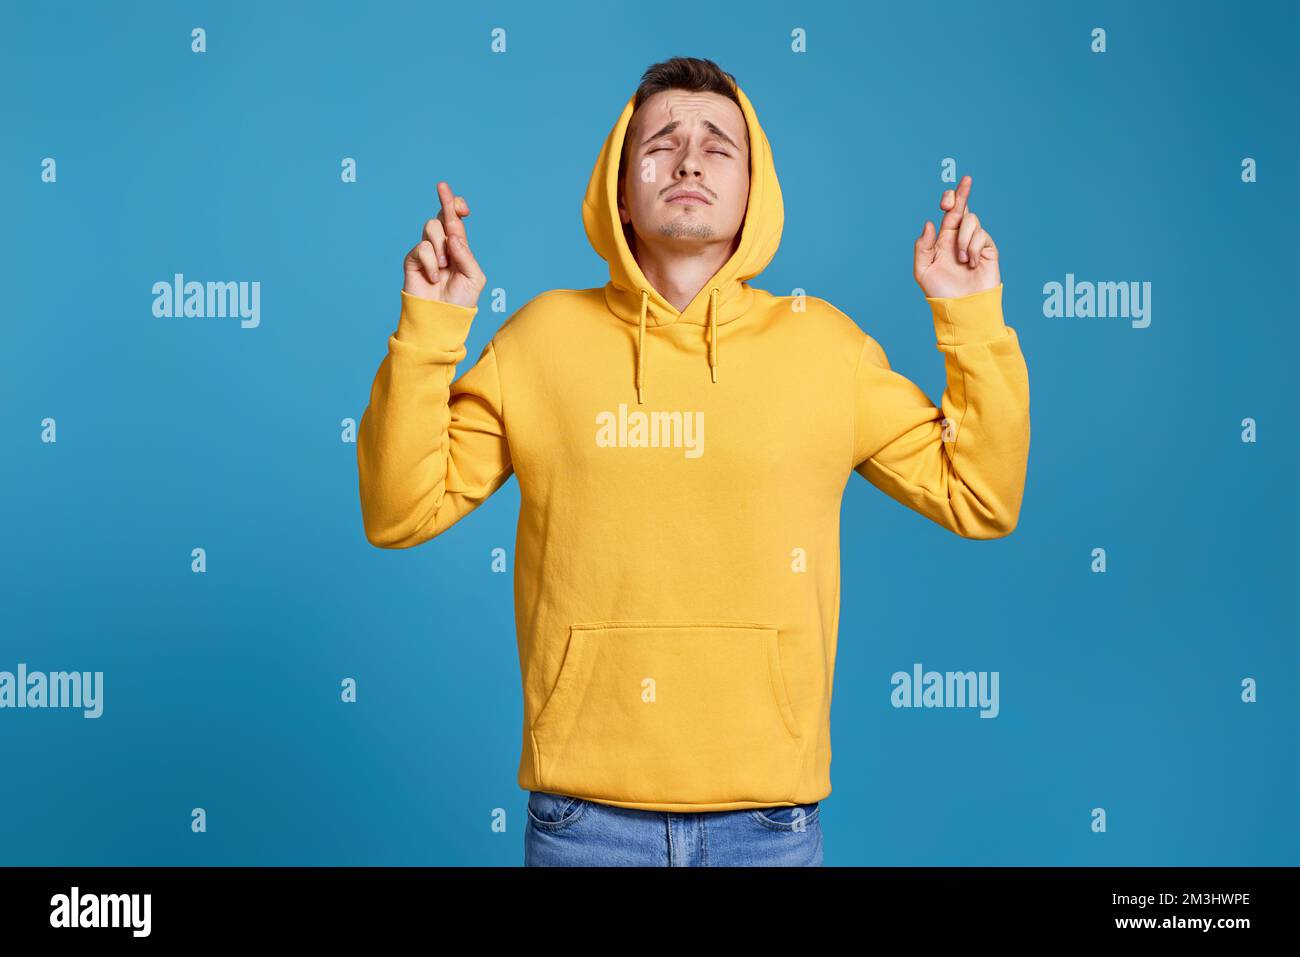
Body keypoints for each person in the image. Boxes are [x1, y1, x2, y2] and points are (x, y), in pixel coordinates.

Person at [357, 56, 1030, 867]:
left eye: (718, 146)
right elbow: (399, 510)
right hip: (583, 820)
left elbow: (983, 497)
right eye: (660, 143)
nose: (687, 161)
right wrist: (431, 325)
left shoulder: (825, 347)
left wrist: (970, 317)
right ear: (619, 188)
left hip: (768, 821)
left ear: (756, 188)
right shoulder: (540, 340)